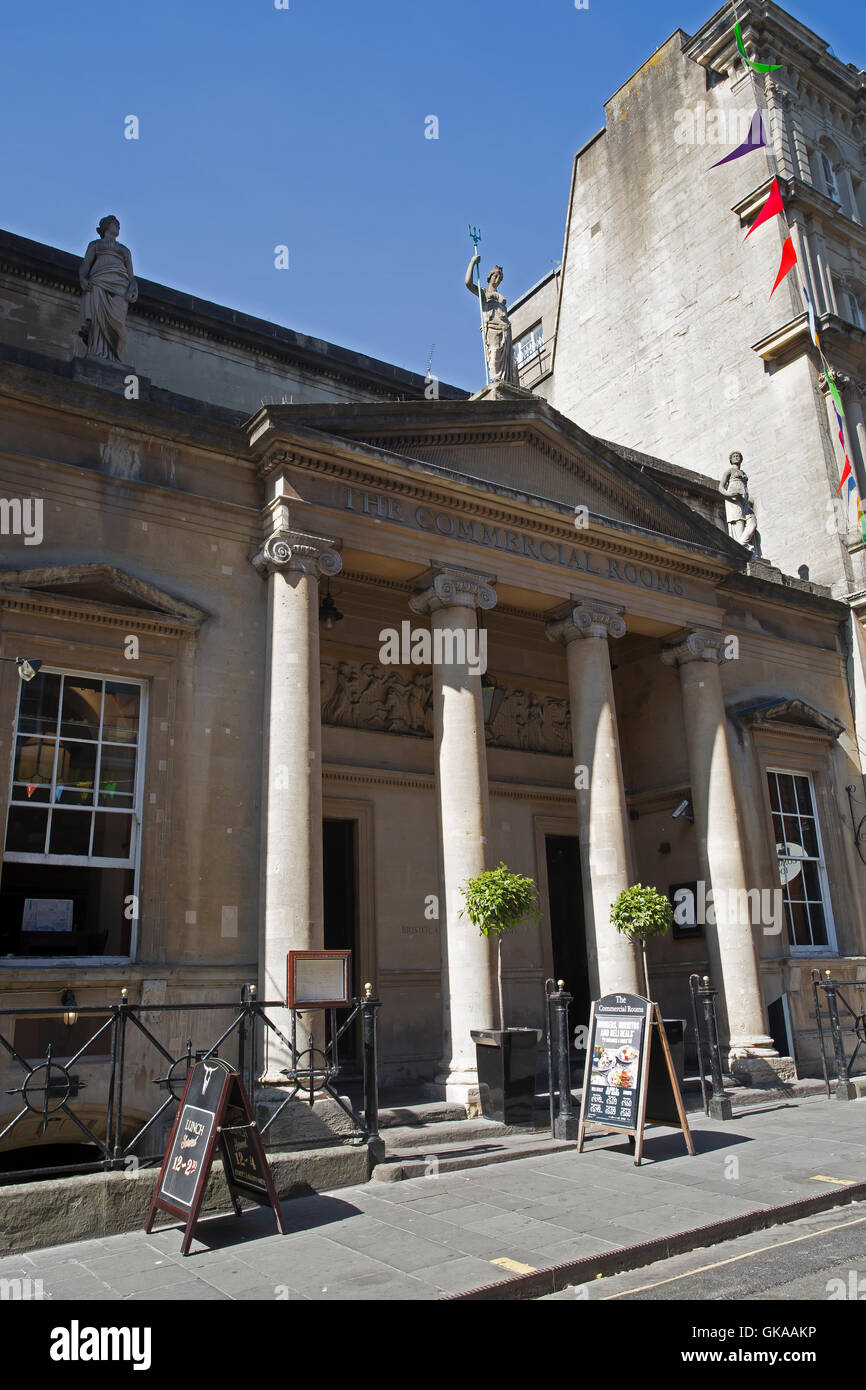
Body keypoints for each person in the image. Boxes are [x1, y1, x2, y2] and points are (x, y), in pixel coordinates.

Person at [76, 215, 137, 363]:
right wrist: (83, 278)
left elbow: (131, 275)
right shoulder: (95, 245)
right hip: (98, 280)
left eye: (118, 224)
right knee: (98, 319)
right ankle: (96, 352)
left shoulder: (124, 250)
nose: (118, 226)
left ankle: (115, 356)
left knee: (118, 322)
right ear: (106, 227)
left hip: (120, 285)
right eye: (115, 224)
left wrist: (133, 288)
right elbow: (86, 264)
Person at [465, 254, 517, 385]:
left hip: (505, 328)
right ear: (489, 277)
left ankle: (506, 382)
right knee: (494, 352)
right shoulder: (484, 292)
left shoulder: (500, 295)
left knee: (509, 360)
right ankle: (495, 379)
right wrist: (472, 262)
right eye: (496, 275)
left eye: (500, 277)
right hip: (492, 328)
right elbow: (468, 283)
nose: (498, 278)